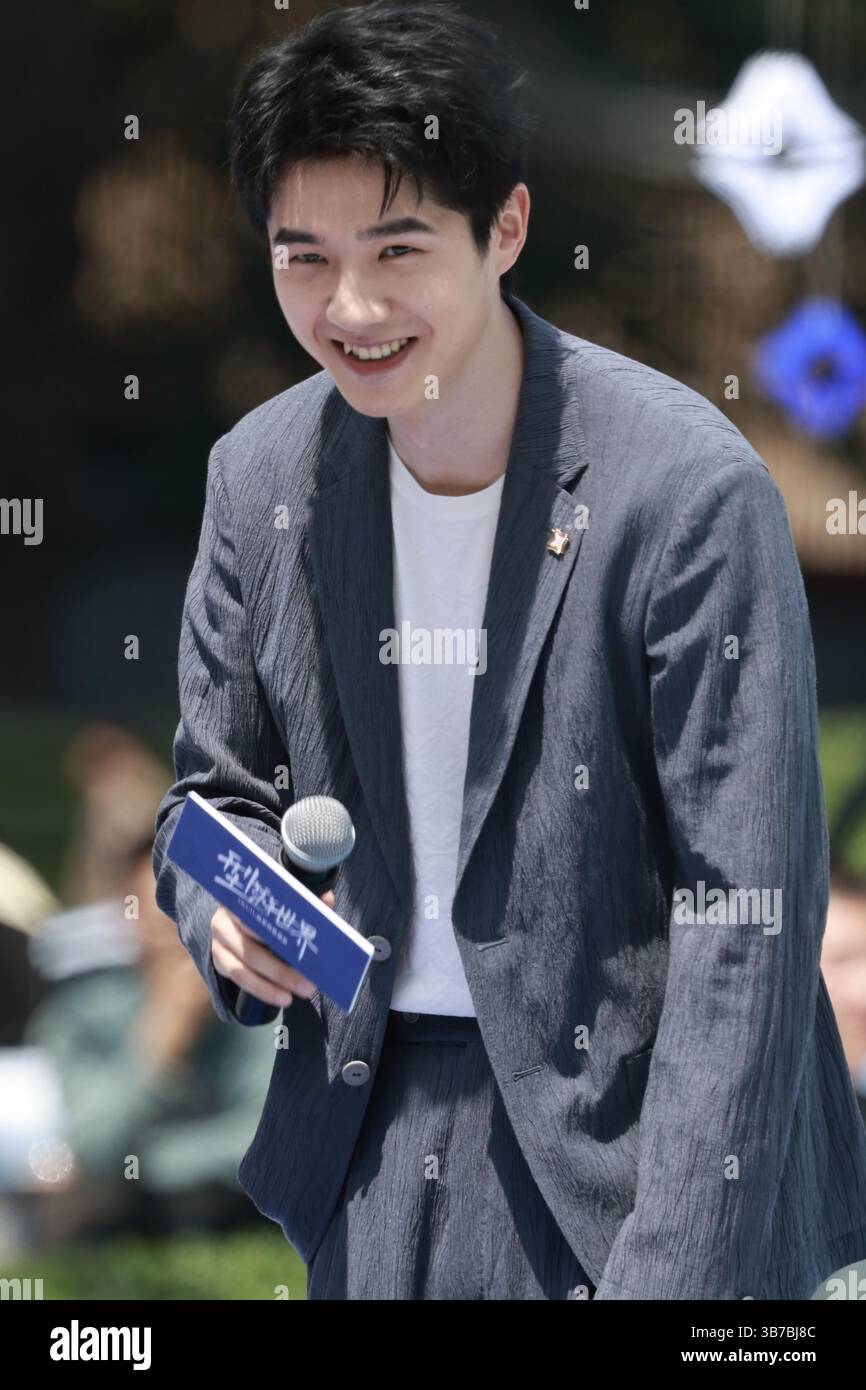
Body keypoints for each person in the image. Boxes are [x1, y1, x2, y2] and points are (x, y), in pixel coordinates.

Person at [153, 0, 866, 1299]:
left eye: (396, 249)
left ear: (508, 229)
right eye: (301, 255)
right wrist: (226, 902)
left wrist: (675, 1272)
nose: (349, 306)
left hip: (646, 1135)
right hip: (376, 1134)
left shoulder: (685, 491)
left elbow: (742, 924)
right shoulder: (255, 474)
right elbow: (210, 796)